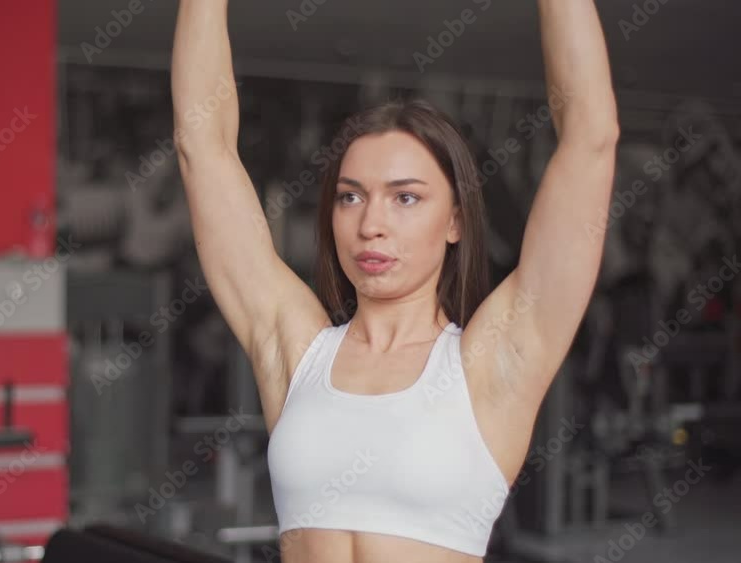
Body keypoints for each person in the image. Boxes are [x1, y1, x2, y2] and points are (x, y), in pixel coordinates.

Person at [171, 1, 618, 562]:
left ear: (455, 219)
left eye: (405, 197)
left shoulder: (492, 363)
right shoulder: (296, 353)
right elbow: (201, 146)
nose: (371, 224)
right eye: (350, 196)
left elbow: (591, 139)